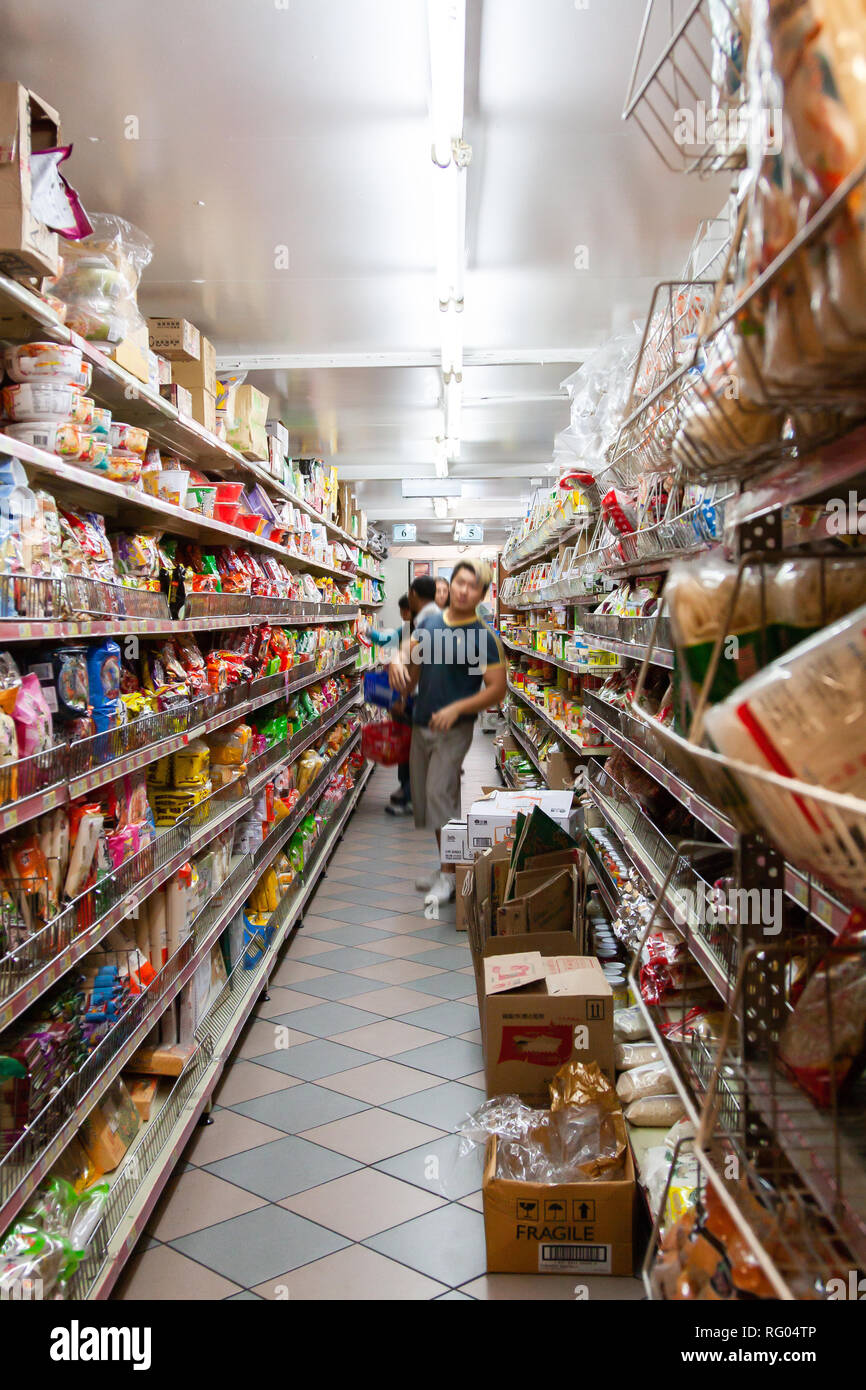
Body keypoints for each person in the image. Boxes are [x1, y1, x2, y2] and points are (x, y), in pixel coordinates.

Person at [389, 558, 506, 904]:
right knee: (429, 801)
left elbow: (496, 689)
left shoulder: (483, 638)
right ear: (450, 584)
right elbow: (410, 660)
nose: (463, 590)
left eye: (473, 586)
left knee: (441, 795)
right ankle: (447, 869)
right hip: (423, 721)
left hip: (454, 728)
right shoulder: (431, 626)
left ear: (482, 594)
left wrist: (458, 707)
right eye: (459, 582)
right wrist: (398, 669)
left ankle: (450, 876)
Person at [366, 594, 415, 816]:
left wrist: (365, 630)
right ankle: (408, 793)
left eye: (403, 611)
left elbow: (383, 641)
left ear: (407, 611)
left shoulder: (409, 632)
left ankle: (410, 795)